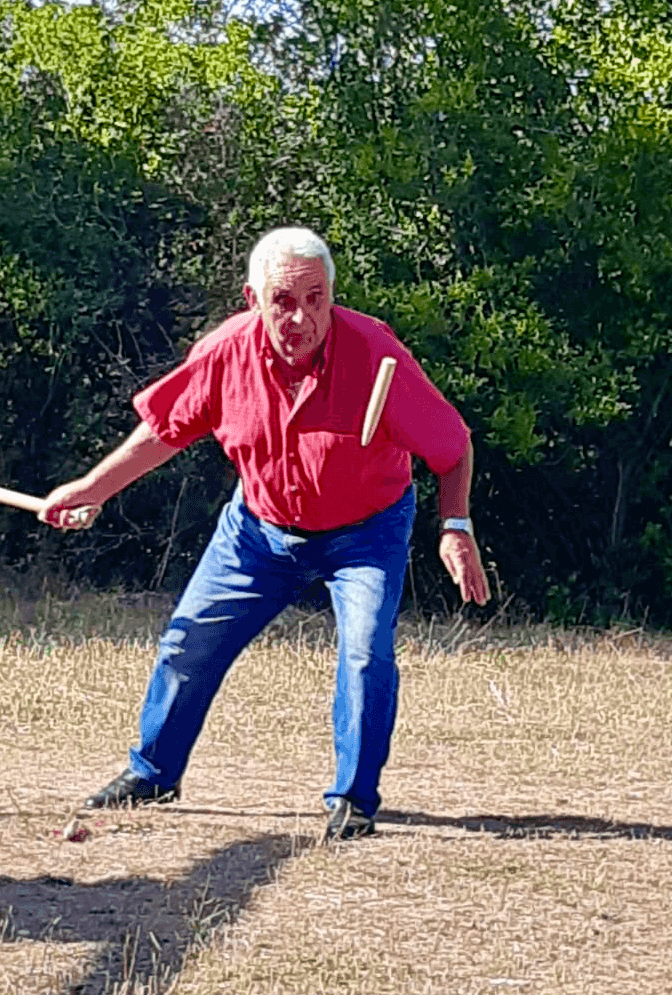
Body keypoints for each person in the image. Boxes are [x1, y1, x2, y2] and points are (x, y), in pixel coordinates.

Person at [39, 227, 489, 841]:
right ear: (253, 300)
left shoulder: (378, 354)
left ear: (332, 296)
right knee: (189, 639)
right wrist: (92, 488)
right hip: (258, 528)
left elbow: (452, 445)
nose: (300, 317)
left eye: (315, 298)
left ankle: (354, 801)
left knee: (365, 651)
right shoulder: (225, 352)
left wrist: (455, 526)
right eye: (283, 300)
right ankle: (152, 773)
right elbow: (165, 431)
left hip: (366, 533)